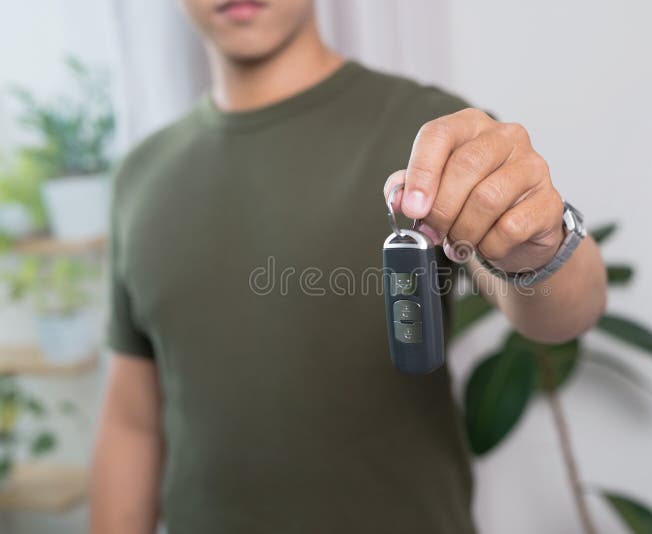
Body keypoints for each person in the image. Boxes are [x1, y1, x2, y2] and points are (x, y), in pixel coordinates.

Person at [89, 1, 607, 533]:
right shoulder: (140, 176)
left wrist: (541, 248)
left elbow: (571, 311)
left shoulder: (432, 134)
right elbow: (132, 422)